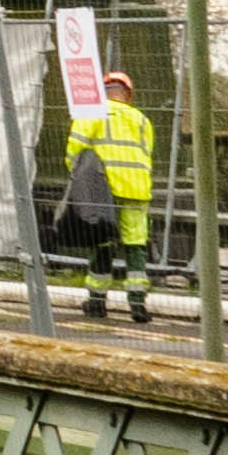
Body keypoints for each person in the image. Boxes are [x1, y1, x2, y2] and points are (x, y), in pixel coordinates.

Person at [76, 70, 161, 322]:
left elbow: (75, 149)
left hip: (104, 190)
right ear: (128, 94)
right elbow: (147, 152)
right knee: (136, 245)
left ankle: (96, 302)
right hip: (136, 190)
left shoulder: (91, 114)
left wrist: (78, 179)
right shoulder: (142, 120)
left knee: (103, 243)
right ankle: (137, 304)